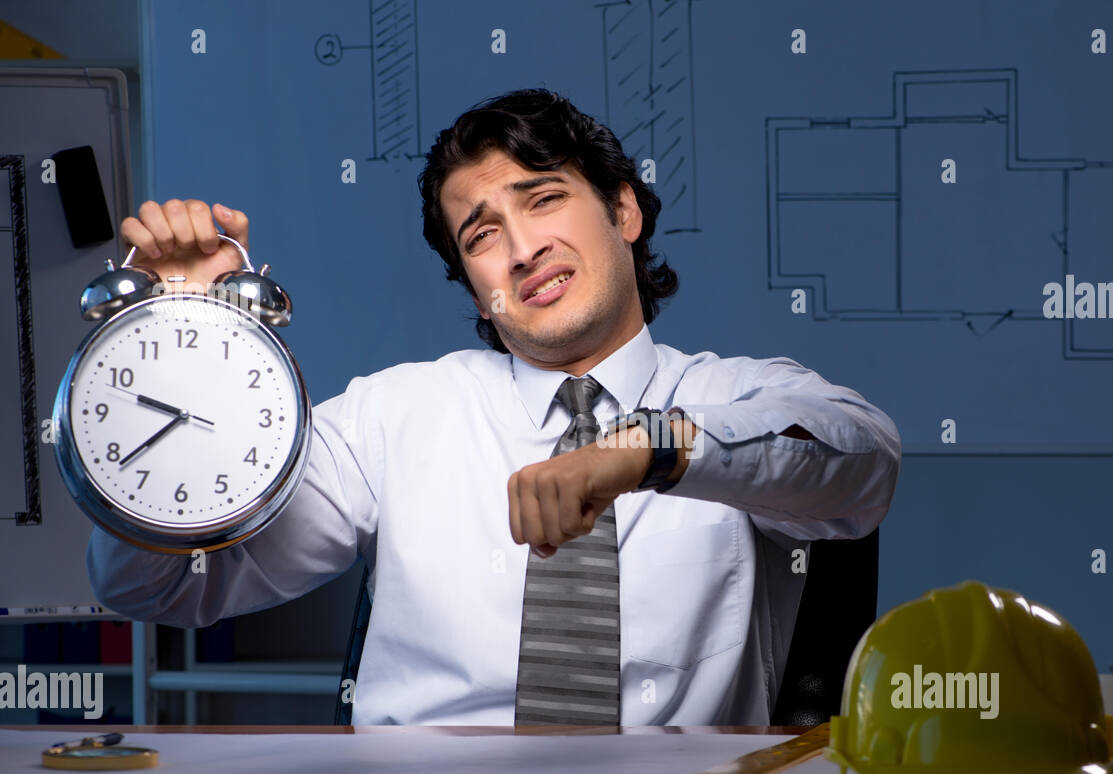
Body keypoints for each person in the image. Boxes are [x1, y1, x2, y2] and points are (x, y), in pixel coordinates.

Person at [88, 88, 901, 726]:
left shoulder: (729, 395)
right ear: (475, 287)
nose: (521, 249)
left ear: (625, 212)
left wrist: (649, 450)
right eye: (481, 236)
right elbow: (157, 587)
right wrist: (184, 342)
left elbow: (863, 466)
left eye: (544, 199)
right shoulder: (395, 414)